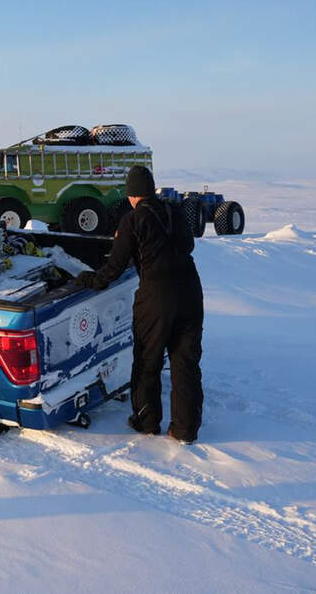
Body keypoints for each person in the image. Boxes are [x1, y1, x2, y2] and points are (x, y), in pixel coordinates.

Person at [76, 165, 204, 444]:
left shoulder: (133, 220)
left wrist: (88, 279)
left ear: (132, 194)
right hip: (191, 292)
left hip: (156, 297)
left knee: (148, 359)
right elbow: (188, 246)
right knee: (186, 361)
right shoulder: (175, 211)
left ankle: (146, 421)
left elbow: (113, 269)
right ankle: (185, 430)